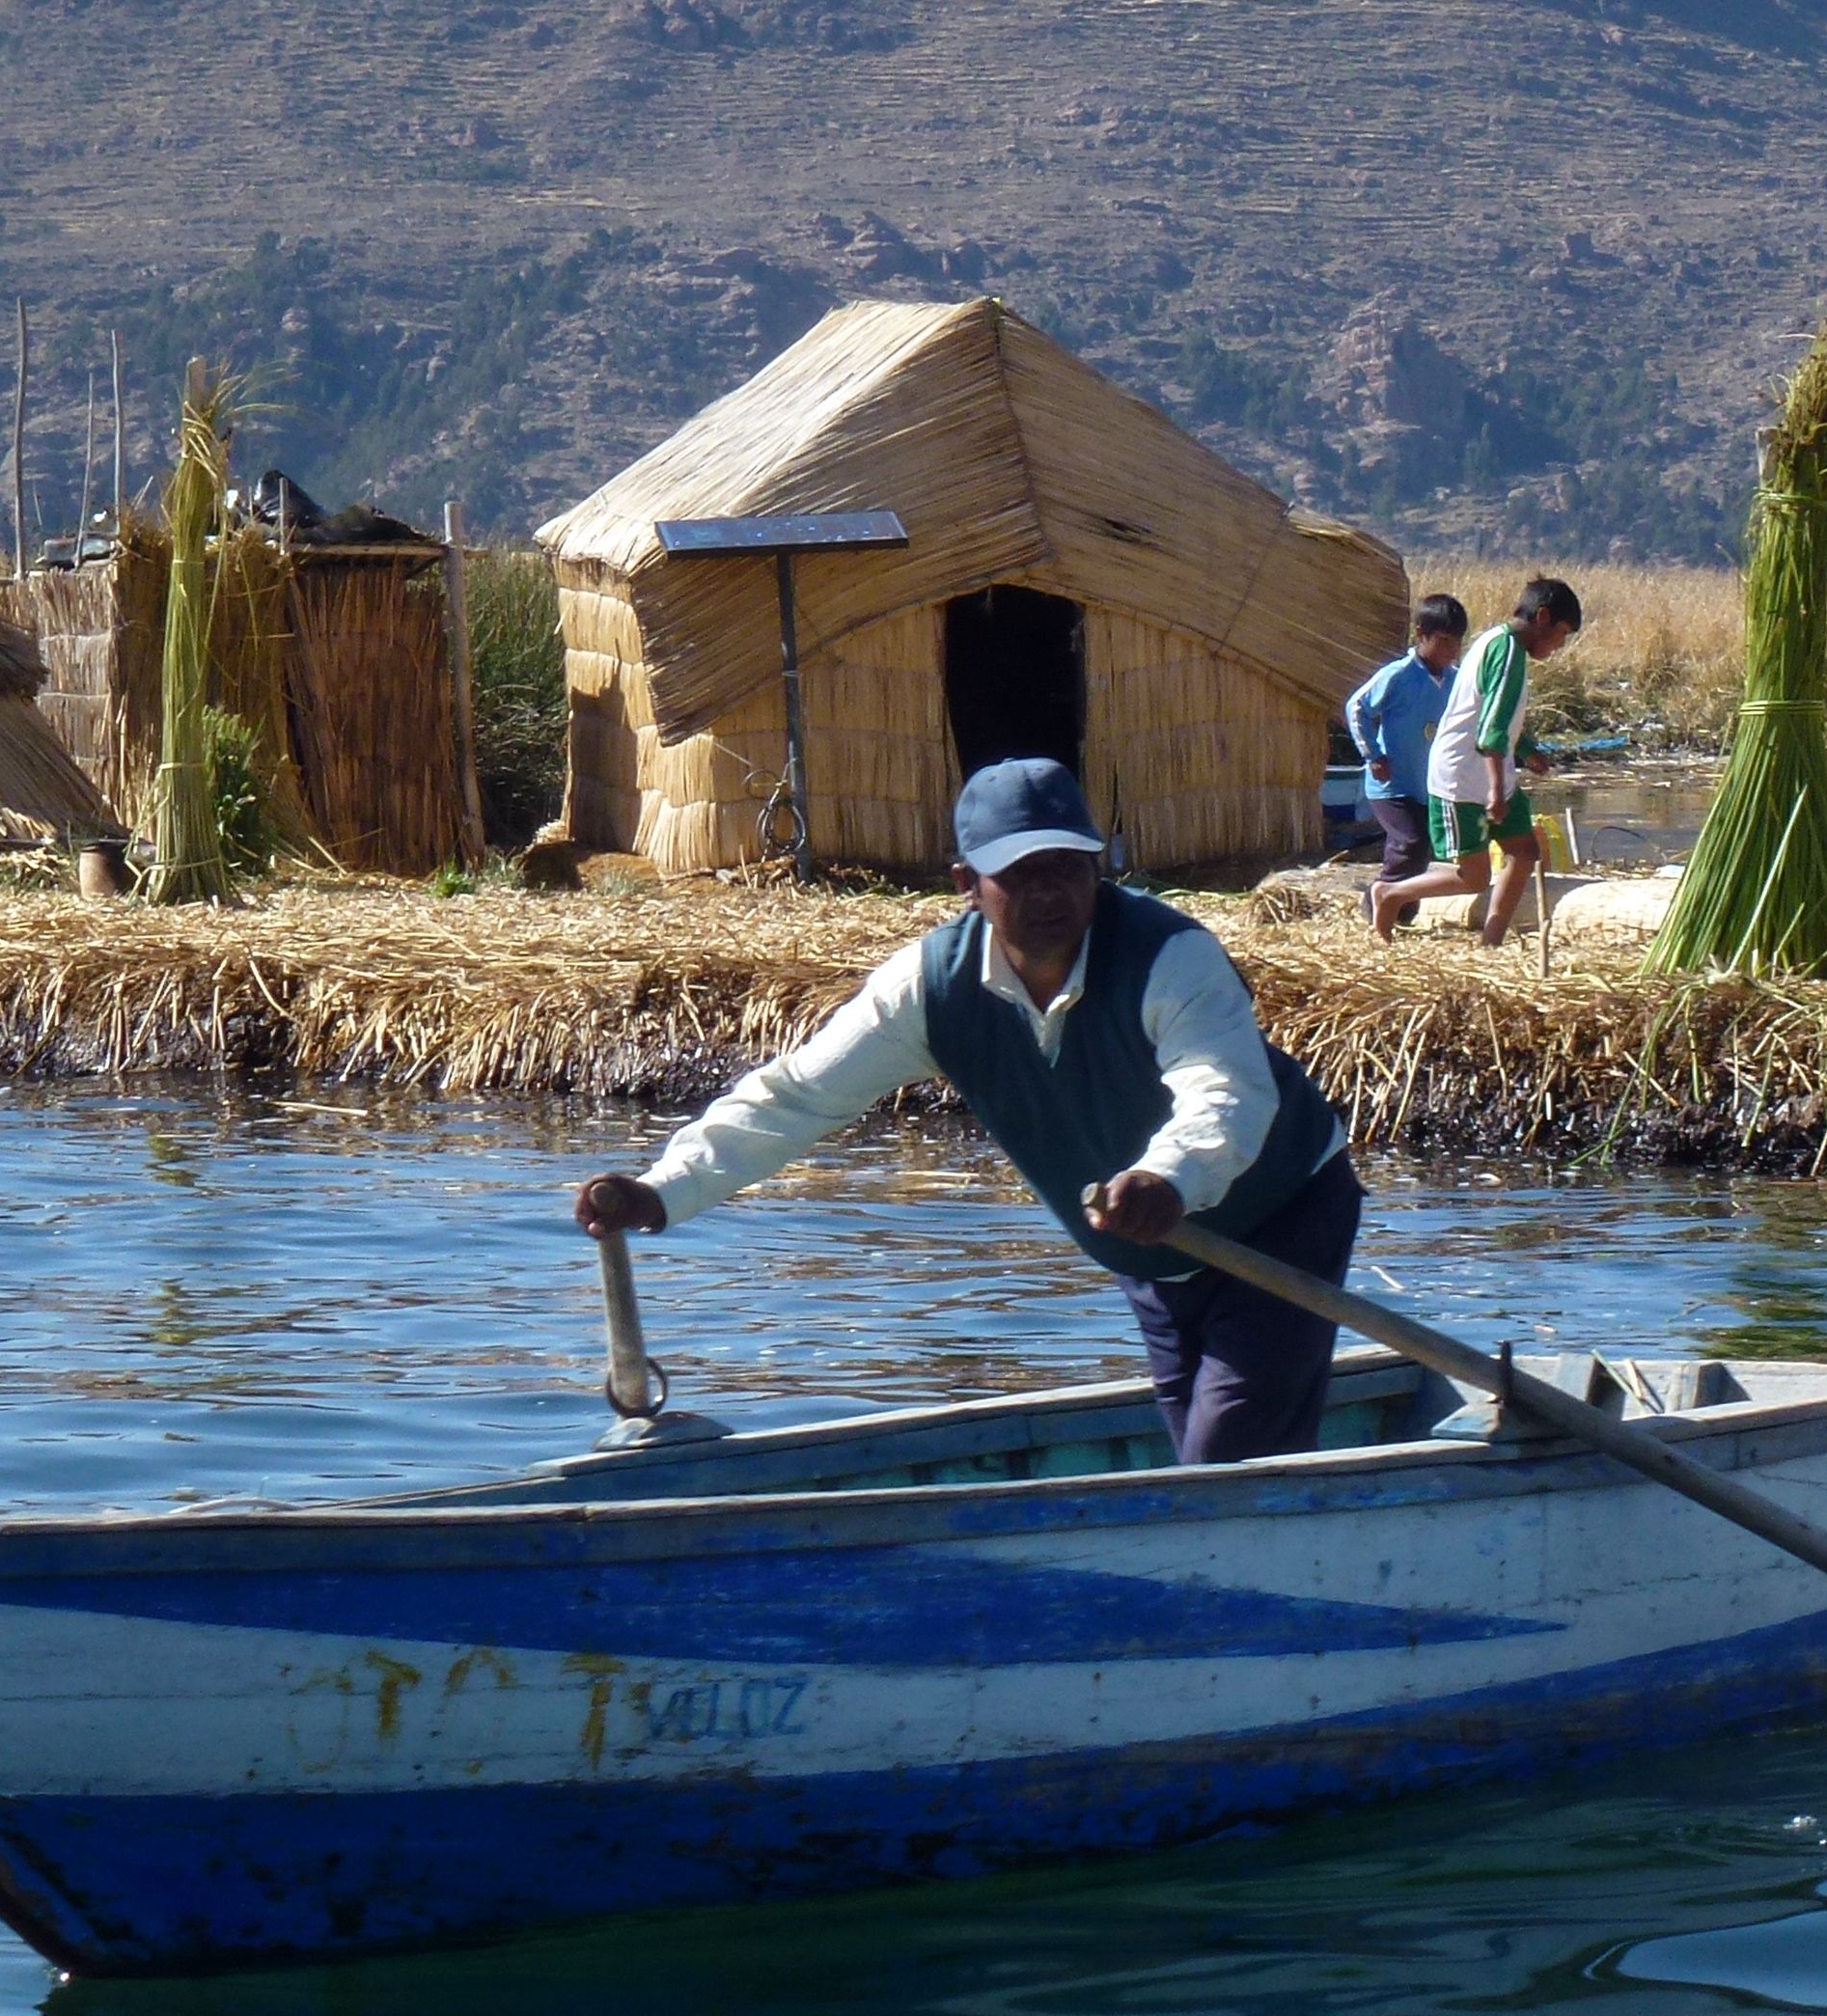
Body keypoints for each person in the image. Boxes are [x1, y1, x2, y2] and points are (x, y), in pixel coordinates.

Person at [571, 756, 1363, 1467]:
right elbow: (799, 1097)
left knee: (1227, 1468)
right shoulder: (928, 990)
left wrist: (1168, 1177)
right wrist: (664, 1189)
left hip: (1278, 1218)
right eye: (1021, 875)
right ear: (966, 884)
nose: (1050, 893)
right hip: (1153, 1257)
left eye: (1069, 868)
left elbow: (1226, 1093)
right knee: (1202, 1454)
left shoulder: (1171, 956)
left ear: (1100, 866)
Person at [1374, 572, 1578, 946]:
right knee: (1474, 877)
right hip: (1464, 778)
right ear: (1543, 618)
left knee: (1524, 851)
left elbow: (1493, 713)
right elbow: (1490, 729)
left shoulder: (1495, 641)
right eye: (1561, 634)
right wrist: (1497, 792)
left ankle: (1491, 942)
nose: (1559, 645)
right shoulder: (1507, 653)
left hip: (1490, 772)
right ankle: (1391, 894)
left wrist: (1527, 749)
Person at [1341, 593, 1465, 913]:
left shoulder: (1454, 680)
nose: (1451, 650)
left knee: (1422, 848)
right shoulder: (1399, 675)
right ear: (1421, 633)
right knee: (1408, 842)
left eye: (1457, 642)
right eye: (1444, 641)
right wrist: (1374, 755)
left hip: (1427, 785)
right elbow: (1357, 708)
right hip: (1391, 783)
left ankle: (1402, 914)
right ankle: (1376, 902)